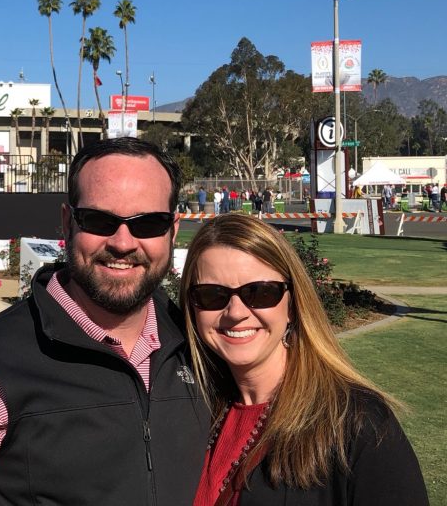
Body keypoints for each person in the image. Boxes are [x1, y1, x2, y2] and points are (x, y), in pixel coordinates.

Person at [0, 138, 209, 505]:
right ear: (67, 223)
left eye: (148, 223)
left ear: (172, 228)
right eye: (99, 220)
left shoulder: (198, 341)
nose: (123, 243)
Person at [180, 214, 428, 505]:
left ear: (293, 306)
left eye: (259, 292)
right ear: (192, 307)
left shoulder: (356, 423)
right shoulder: (190, 408)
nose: (236, 312)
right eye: (212, 295)